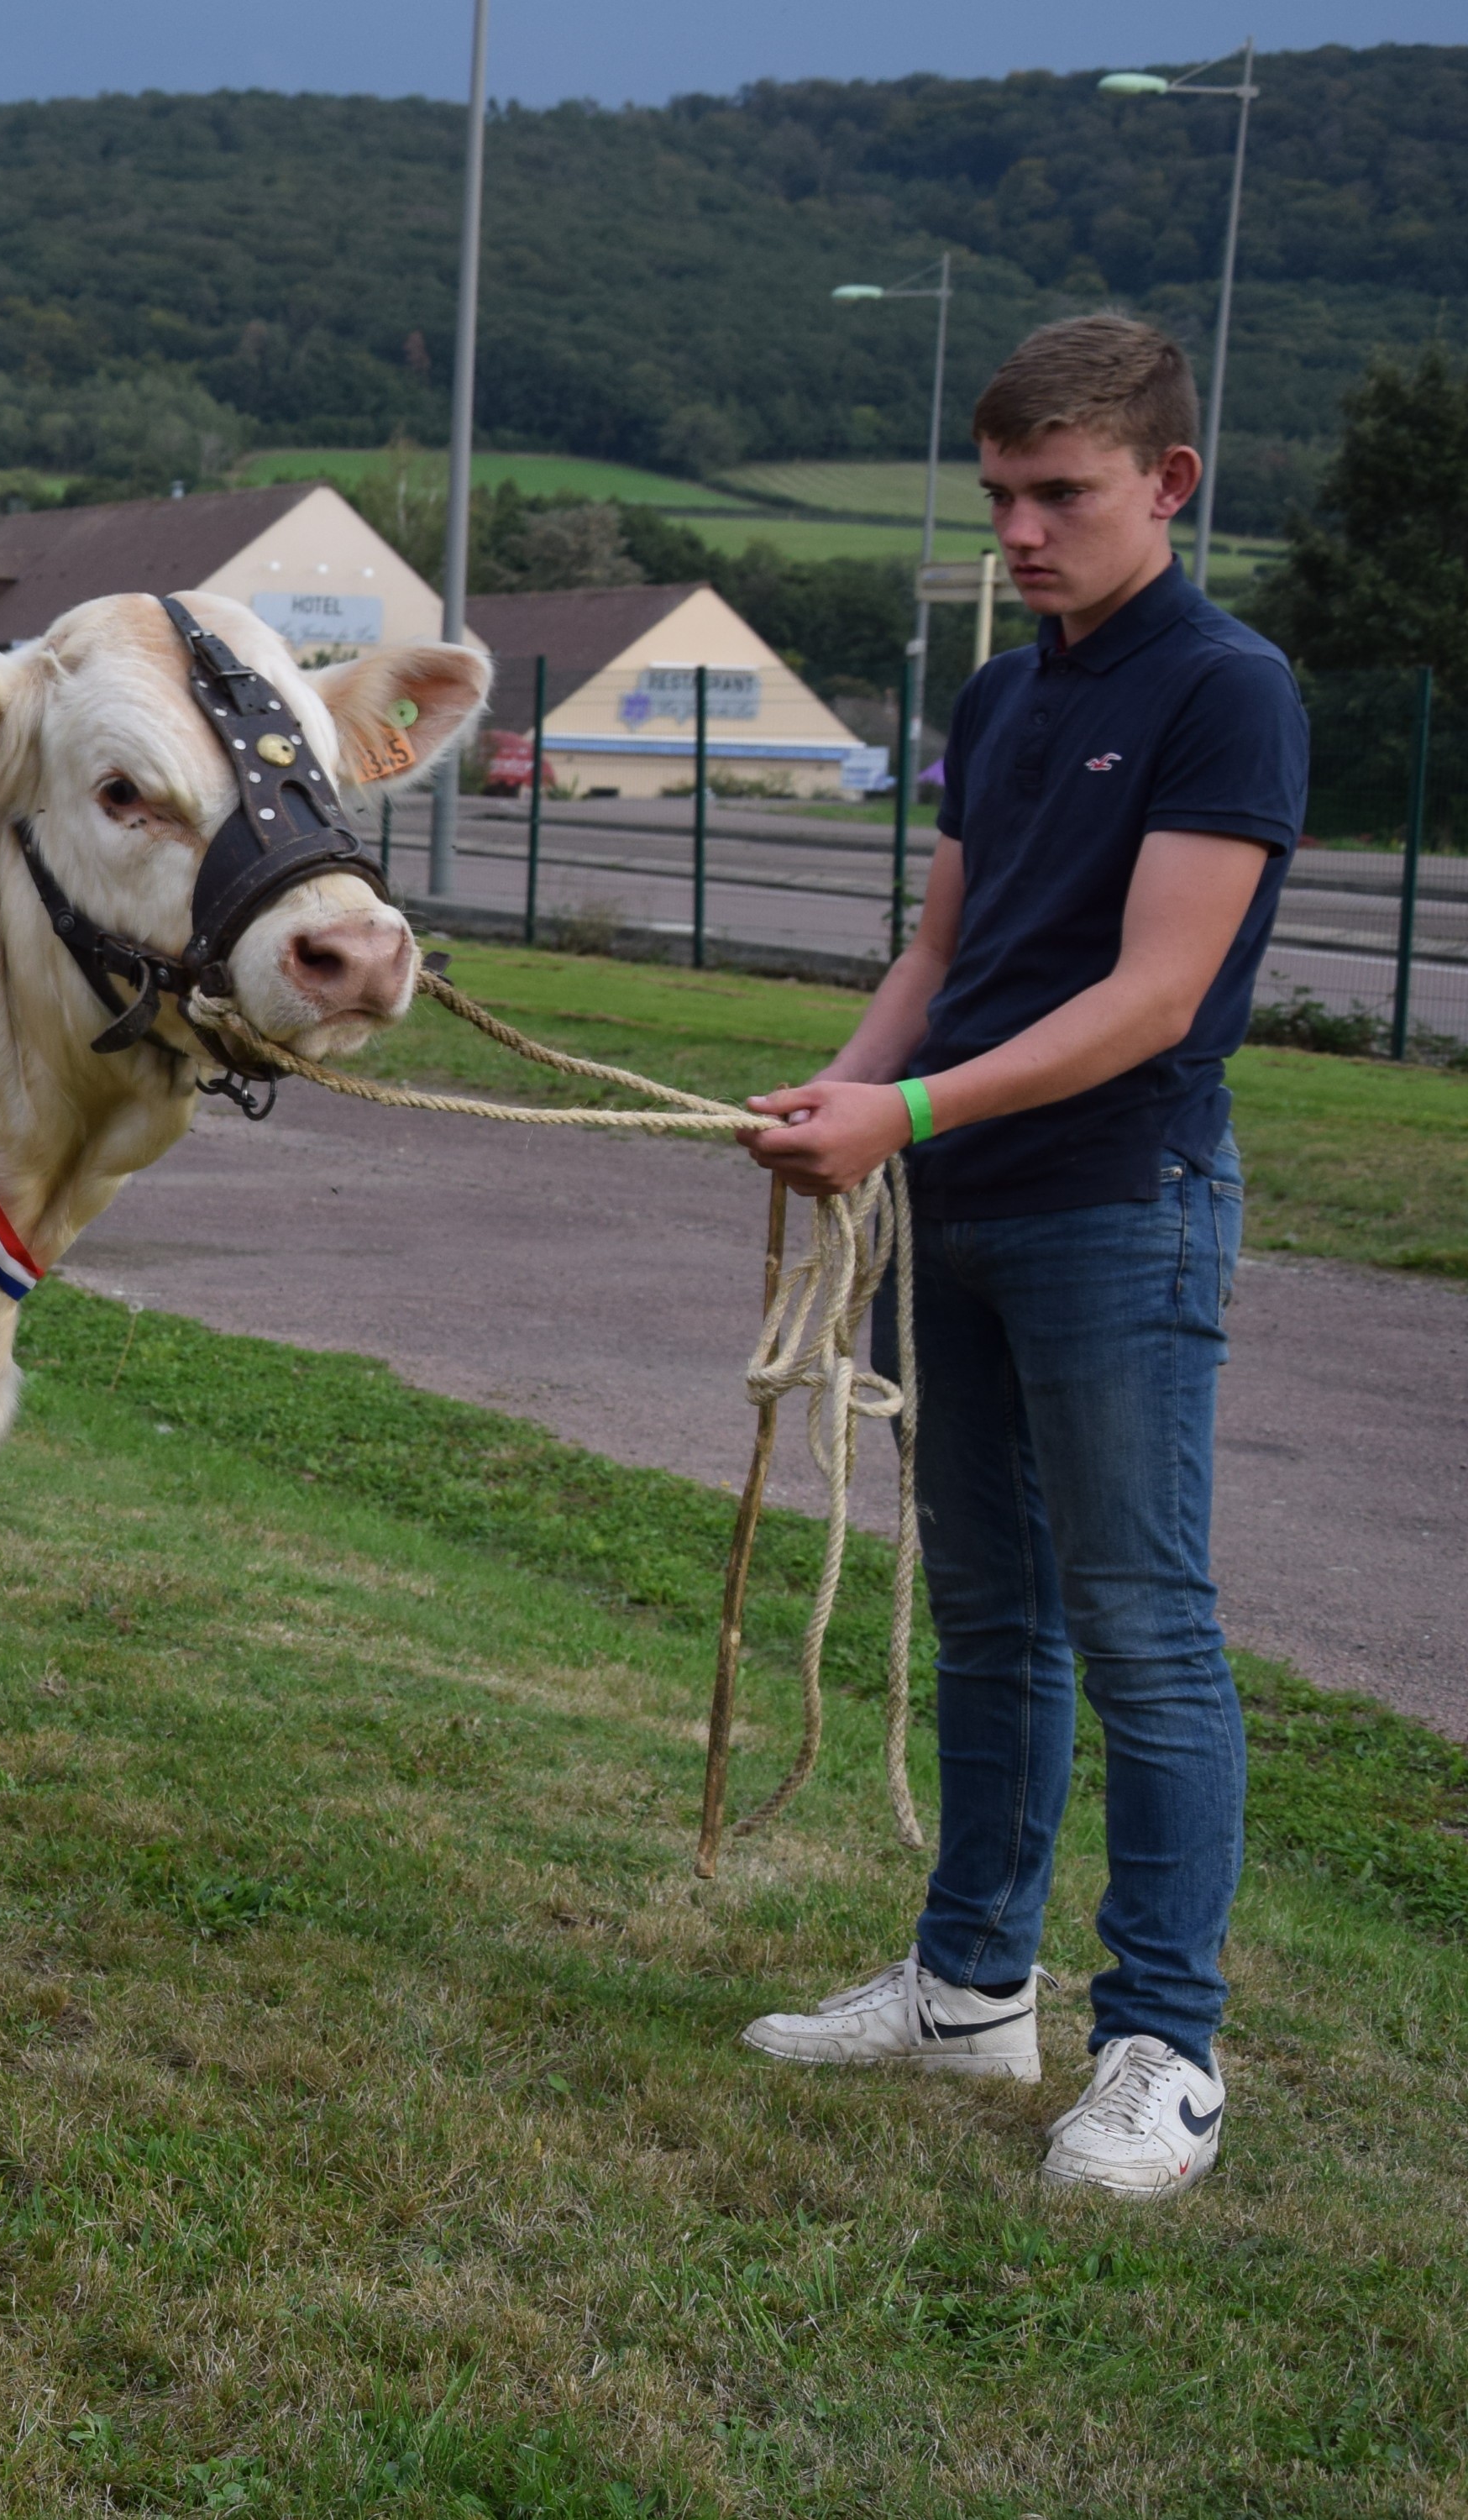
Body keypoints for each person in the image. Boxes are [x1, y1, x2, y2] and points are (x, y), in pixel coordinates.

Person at [733, 313, 1307, 2199]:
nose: (1019, 533)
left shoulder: (1228, 688)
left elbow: (1155, 996)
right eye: (996, 496)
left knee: (1143, 1629)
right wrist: (842, 1096)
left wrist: (900, 1115)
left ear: (1169, 482)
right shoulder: (997, 698)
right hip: (953, 1204)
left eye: (1059, 494)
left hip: (1116, 1206)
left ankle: (1167, 2052)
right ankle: (972, 1989)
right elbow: (938, 955)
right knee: (990, 1617)